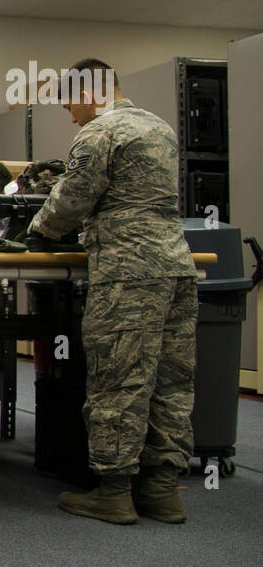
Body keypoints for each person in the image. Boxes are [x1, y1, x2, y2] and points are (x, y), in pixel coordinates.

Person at [29, 58, 197, 525]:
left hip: (129, 271)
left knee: (119, 376)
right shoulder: (159, 127)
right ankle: (162, 490)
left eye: (70, 105)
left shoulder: (100, 133)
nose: (71, 116)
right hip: (176, 266)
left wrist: (39, 228)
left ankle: (114, 490)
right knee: (170, 380)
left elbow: (71, 199)